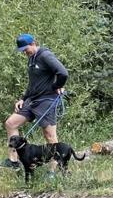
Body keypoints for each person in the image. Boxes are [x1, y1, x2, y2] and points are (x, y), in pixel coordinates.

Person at [5, 33, 69, 169]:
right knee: (11, 123)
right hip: (33, 100)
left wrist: (57, 86)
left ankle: (53, 171)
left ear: (33, 43)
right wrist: (23, 98)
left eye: (25, 49)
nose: (24, 53)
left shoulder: (45, 56)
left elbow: (63, 73)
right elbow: (33, 83)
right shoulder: (31, 58)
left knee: (50, 136)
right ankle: (13, 162)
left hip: (47, 100)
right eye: (22, 51)